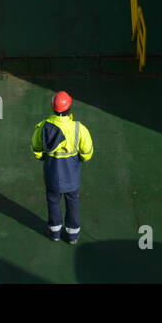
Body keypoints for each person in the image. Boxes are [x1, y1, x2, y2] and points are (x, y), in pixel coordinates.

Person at [30, 91, 94, 243]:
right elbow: (88, 152)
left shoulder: (43, 127)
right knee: (73, 202)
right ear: (69, 108)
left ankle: (55, 233)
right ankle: (72, 236)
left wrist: (42, 157)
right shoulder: (79, 128)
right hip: (72, 177)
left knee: (53, 201)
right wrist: (81, 158)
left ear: (53, 107)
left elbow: (36, 149)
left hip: (52, 175)